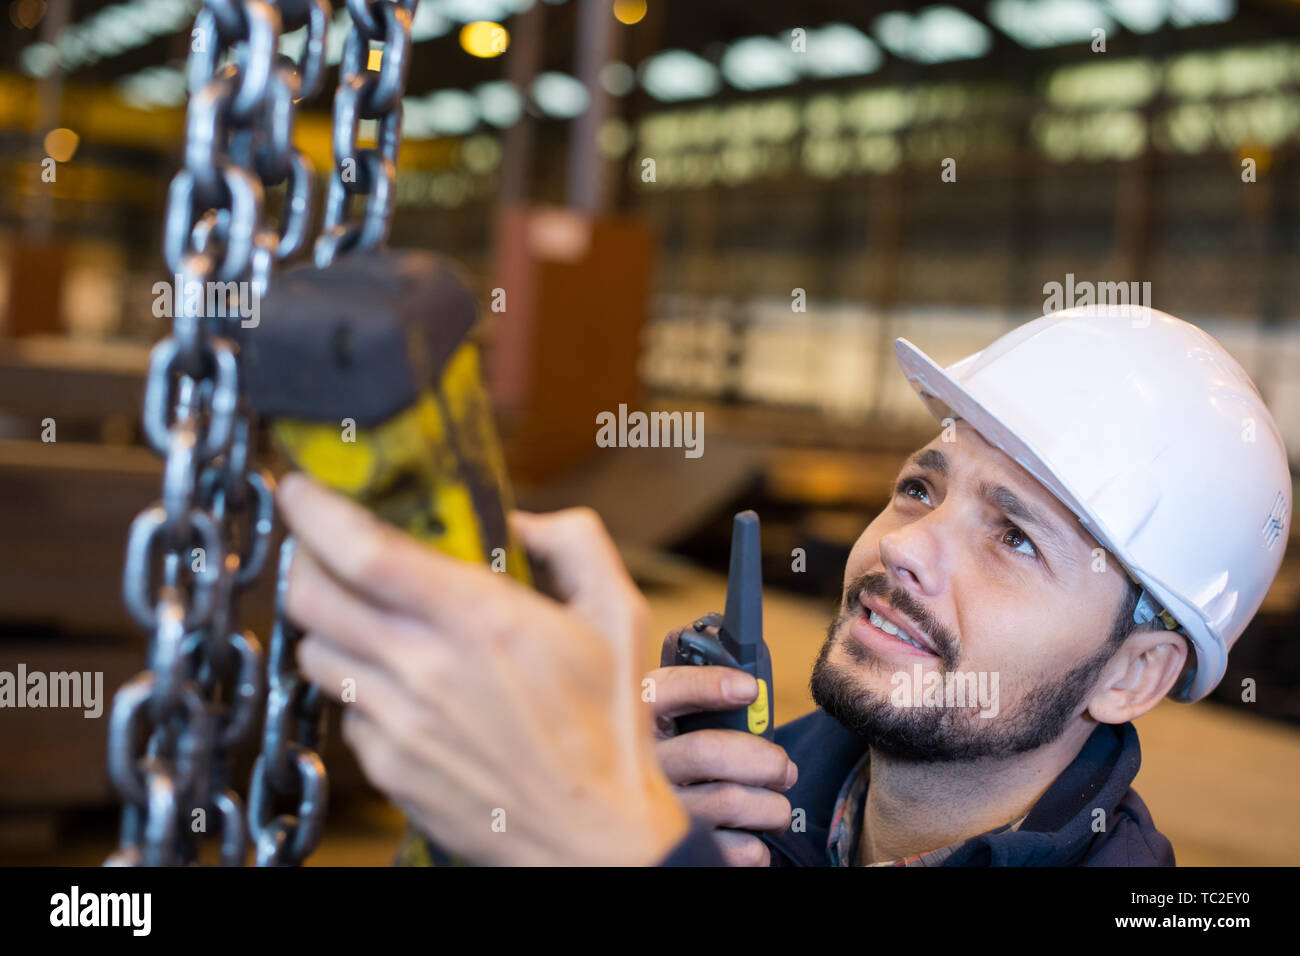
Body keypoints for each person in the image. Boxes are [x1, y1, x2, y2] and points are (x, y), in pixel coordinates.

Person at [277, 305, 1291, 866]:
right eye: (917, 488)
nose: (907, 547)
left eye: (1015, 539)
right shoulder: (745, 789)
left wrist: (616, 847)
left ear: (1134, 670)